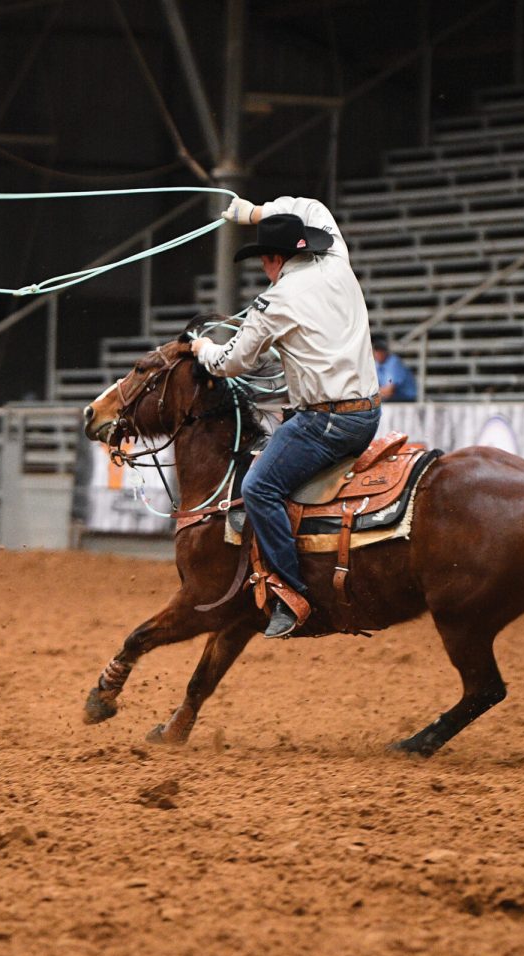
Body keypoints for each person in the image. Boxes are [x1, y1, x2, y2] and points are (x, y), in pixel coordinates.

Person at [190, 196, 381, 638]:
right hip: (367, 412)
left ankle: (291, 593)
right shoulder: (335, 256)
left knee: (259, 486)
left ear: (275, 259)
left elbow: (230, 363)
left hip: (325, 423)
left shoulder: (273, 303)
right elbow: (312, 206)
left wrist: (203, 350)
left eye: (263, 260)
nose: (263, 268)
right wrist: (254, 211)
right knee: (268, 444)